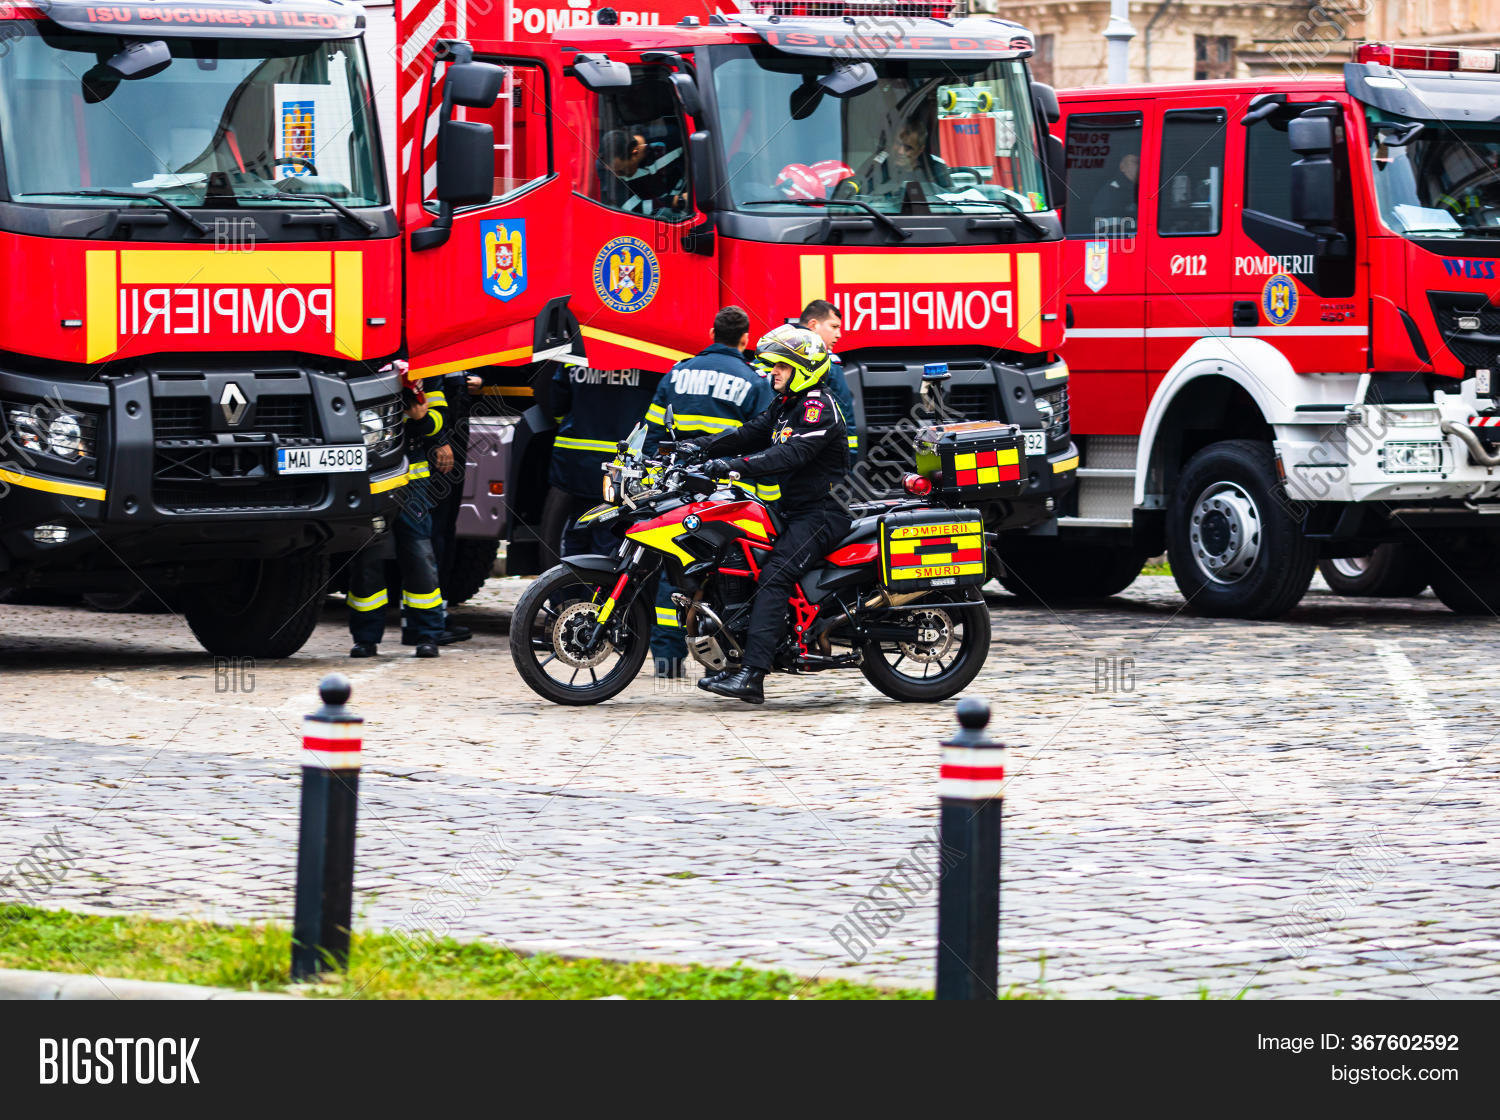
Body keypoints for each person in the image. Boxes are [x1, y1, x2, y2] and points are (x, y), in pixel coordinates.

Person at [678, 325, 851, 704]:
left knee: (774, 575)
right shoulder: (787, 403)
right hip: (795, 509)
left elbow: (788, 456)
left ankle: (752, 676)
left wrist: (727, 467)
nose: (773, 373)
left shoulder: (817, 407)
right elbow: (751, 433)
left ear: (801, 368)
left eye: (780, 367)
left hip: (821, 513)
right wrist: (696, 448)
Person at [642, 305, 774, 678]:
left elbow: (653, 434)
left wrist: (654, 480)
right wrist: (770, 501)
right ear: (746, 340)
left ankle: (667, 661)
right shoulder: (754, 380)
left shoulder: (678, 372)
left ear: (711, 332)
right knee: (724, 576)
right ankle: (722, 661)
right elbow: (760, 446)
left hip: (679, 489)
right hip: (727, 493)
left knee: (673, 570)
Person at [347, 369, 450, 658]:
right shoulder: (363, 362)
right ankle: (365, 637)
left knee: (418, 553)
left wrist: (421, 418)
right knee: (367, 554)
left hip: (412, 477)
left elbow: (439, 418)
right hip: (371, 473)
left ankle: (427, 634)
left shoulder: (424, 369)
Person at [548, 361, 658, 558]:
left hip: (577, 459)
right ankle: (598, 586)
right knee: (608, 534)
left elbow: (556, 405)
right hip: (621, 465)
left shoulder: (575, 356)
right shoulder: (649, 359)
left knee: (578, 529)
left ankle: (569, 584)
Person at [796, 299, 860, 462]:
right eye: (834, 326)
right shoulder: (828, 364)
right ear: (813, 325)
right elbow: (844, 414)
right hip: (819, 460)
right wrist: (849, 457)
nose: (839, 334)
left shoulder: (777, 357)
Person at [599, 128, 687, 218]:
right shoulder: (610, 174)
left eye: (622, 170)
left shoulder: (672, 144)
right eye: (612, 170)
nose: (617, 175)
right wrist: (675, 200)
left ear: (635, 154)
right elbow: (633, 209)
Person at [1091, 152, 1139, 227]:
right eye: (1134, 162)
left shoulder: (1142, 188)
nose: (1138, 166)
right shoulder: (1110, 193)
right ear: (1122, 167)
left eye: (1139, 162)